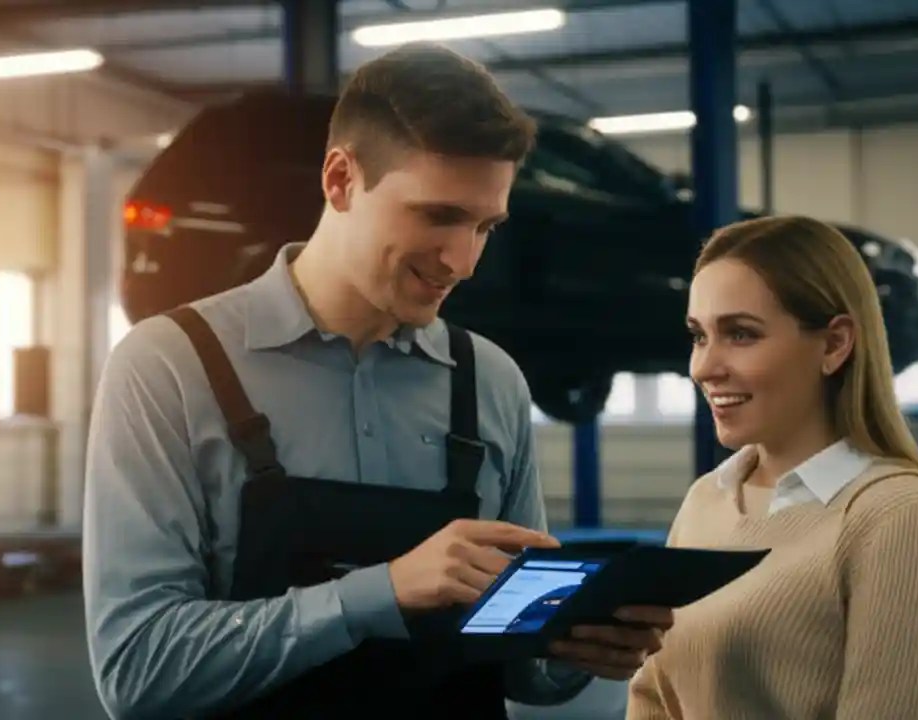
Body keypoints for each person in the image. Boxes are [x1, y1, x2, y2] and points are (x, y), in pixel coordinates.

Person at [83, 42, 673, 720]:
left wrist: (574, 651)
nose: (464, 261)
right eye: (438, 216)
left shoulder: (489, 380)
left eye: (485, 226)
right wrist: (382, 593)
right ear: (340, 180)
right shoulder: (167, 368)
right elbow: (138, 669)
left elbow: (517, 662)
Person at [626, 215, 918, 719]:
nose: (703, 367)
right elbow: (652, 700)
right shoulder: (708, 500)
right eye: (699, 336)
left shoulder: (899, 517)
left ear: (835, 344)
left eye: (741, 334)